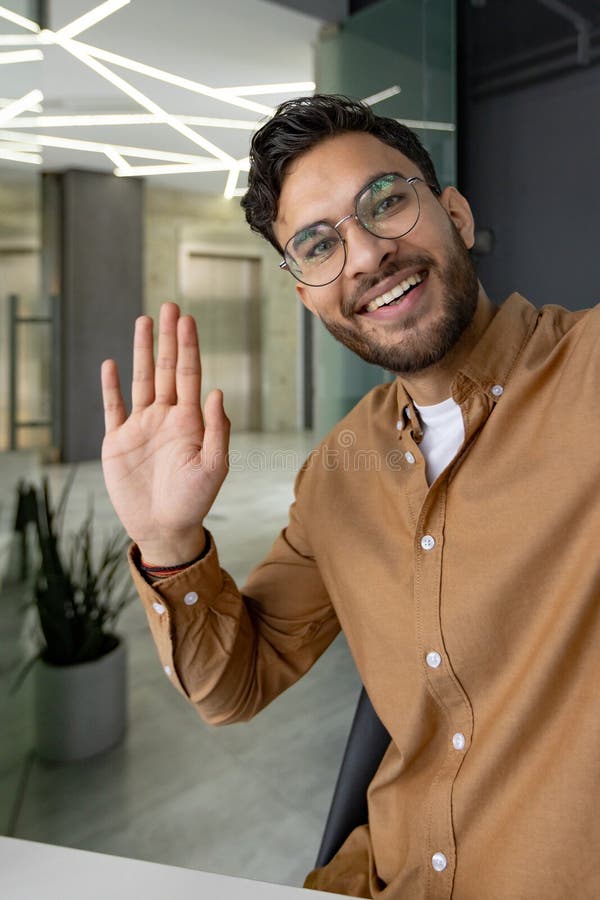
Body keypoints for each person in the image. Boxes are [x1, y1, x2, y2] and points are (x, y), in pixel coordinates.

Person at [100, 95, 600, 900]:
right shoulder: (339, 472)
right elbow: (239, 684)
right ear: (307, 296)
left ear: (456, 213)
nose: (364, 255)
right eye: (319, 244)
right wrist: (169, 541)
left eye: (386, 203)